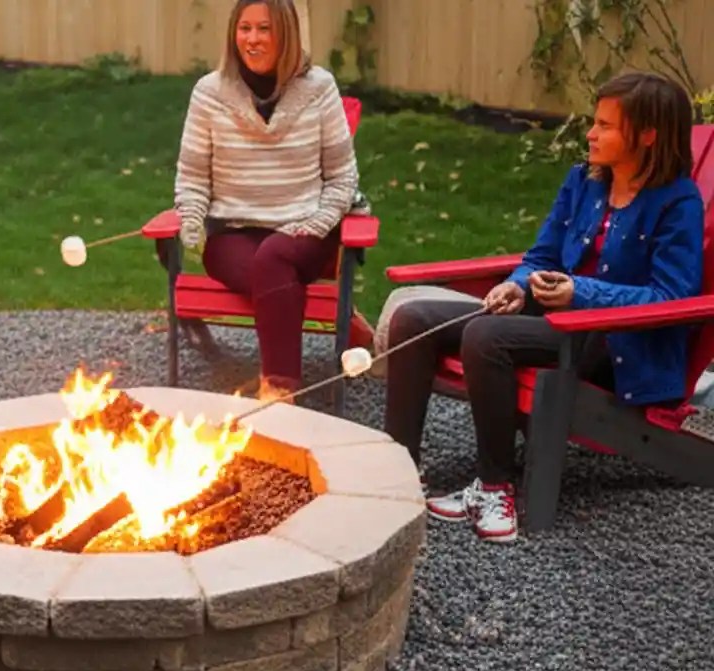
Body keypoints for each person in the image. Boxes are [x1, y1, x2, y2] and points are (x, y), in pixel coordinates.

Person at [383, 71, 705, 544]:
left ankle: (494, 488)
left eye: (605, 125)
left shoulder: (678, 204)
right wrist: (517, 285)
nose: (591, 134)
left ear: (648, 134)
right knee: (413, 320)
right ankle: (398, 470)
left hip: (618, 343)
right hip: (558, 320)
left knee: (485, 338)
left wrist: (581, 293)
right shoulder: (584, 182)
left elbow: (671, 296)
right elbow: (541, 257)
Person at [170, 0, 360, 400]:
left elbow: (343, 179)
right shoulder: (209, 93)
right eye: (245, 28)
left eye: (264, 29)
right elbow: (192, 177)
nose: (252, 39)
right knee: (271, 269)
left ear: (286, 34)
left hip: (306, 232)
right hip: (232, 237)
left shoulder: (319, 88)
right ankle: (285, 390)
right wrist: (190, 218)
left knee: (275, 258)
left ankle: (277, 390)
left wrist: (318, 223)